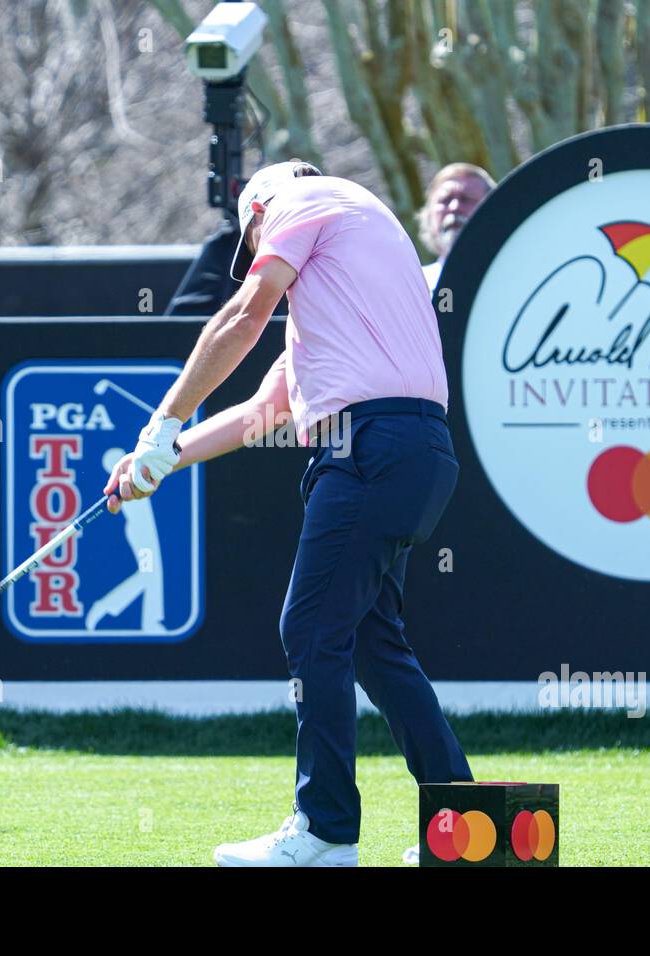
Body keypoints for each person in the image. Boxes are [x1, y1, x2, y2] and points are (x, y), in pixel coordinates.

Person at [104, 161, 474, 866]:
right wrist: (160, 460)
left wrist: (160, 421)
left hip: (368, 447)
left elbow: (244, 315)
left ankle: (326, 830)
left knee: (308, 627)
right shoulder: (346, 282)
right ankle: (460, 824)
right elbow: (261, 413)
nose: (258, 261)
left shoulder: (303, 199)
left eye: (253, 245)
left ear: (260, 211)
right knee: (370, 642)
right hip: (415, 452)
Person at [418, 162, 495, 293]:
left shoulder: (512, 278)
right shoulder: (418, 288)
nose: (454, 207)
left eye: (466, 199)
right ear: (429, 215)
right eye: (445, 200)